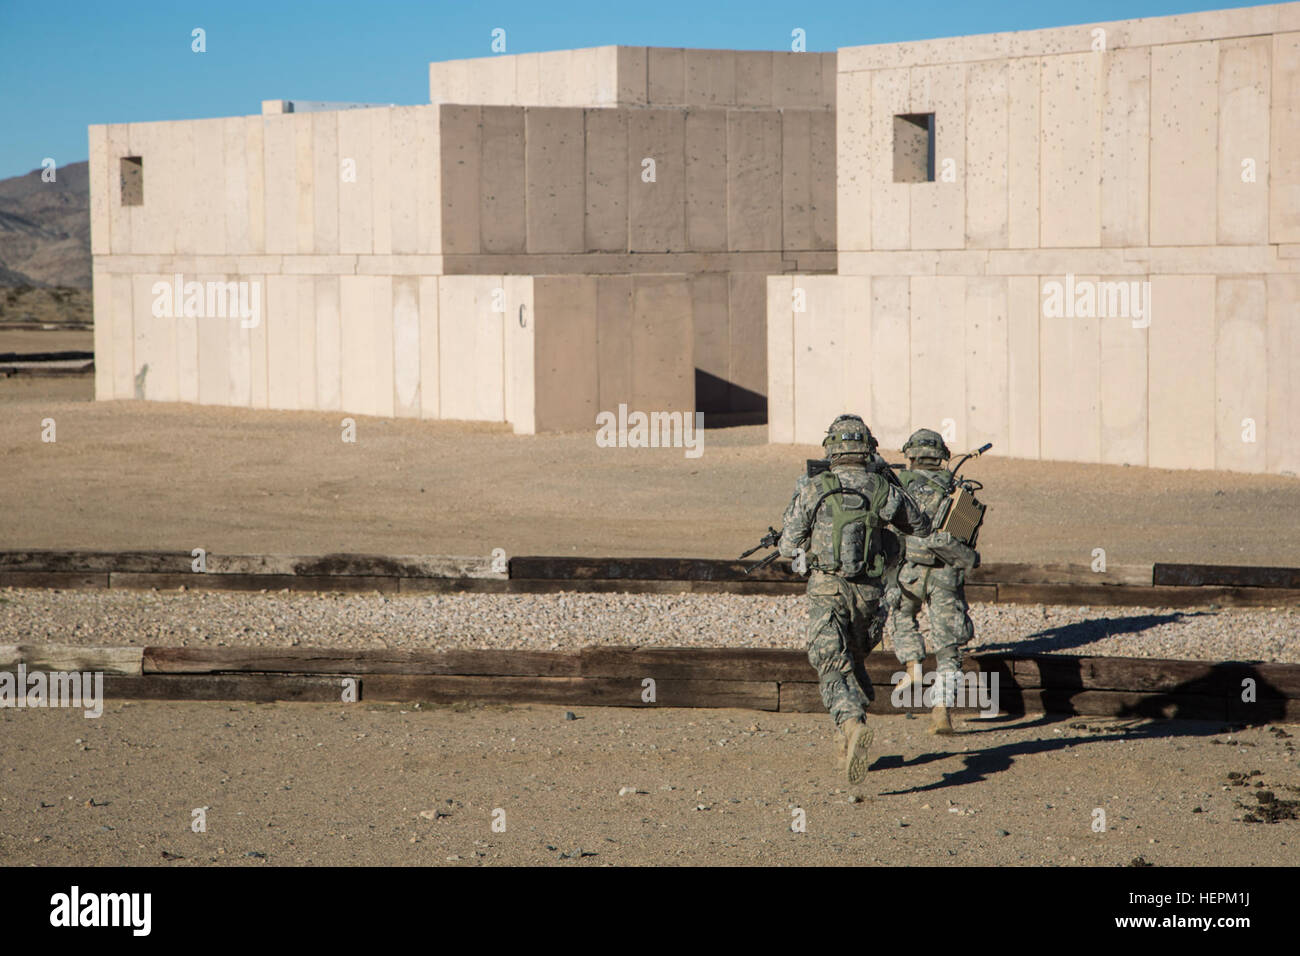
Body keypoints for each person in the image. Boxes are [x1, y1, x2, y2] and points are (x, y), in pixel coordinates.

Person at [778, 414, 930, 784]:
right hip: (870, 595)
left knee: (830, 661)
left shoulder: (816, 487)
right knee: (853, 659)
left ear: (832, 448)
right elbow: (921, 526)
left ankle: (850, 723)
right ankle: (847, 735)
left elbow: (787, 545)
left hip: (828, 590)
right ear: (868, 448)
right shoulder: (882, 488)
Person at [886, 428, 980, 735]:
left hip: (908, 571)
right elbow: (965, 538)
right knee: (948, 646)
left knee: (901, 615)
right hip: (944, 575)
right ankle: (941, 710)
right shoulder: (959, 490)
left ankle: (912, 665)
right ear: (942, 457)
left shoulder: (897, 486)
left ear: (910, 456)